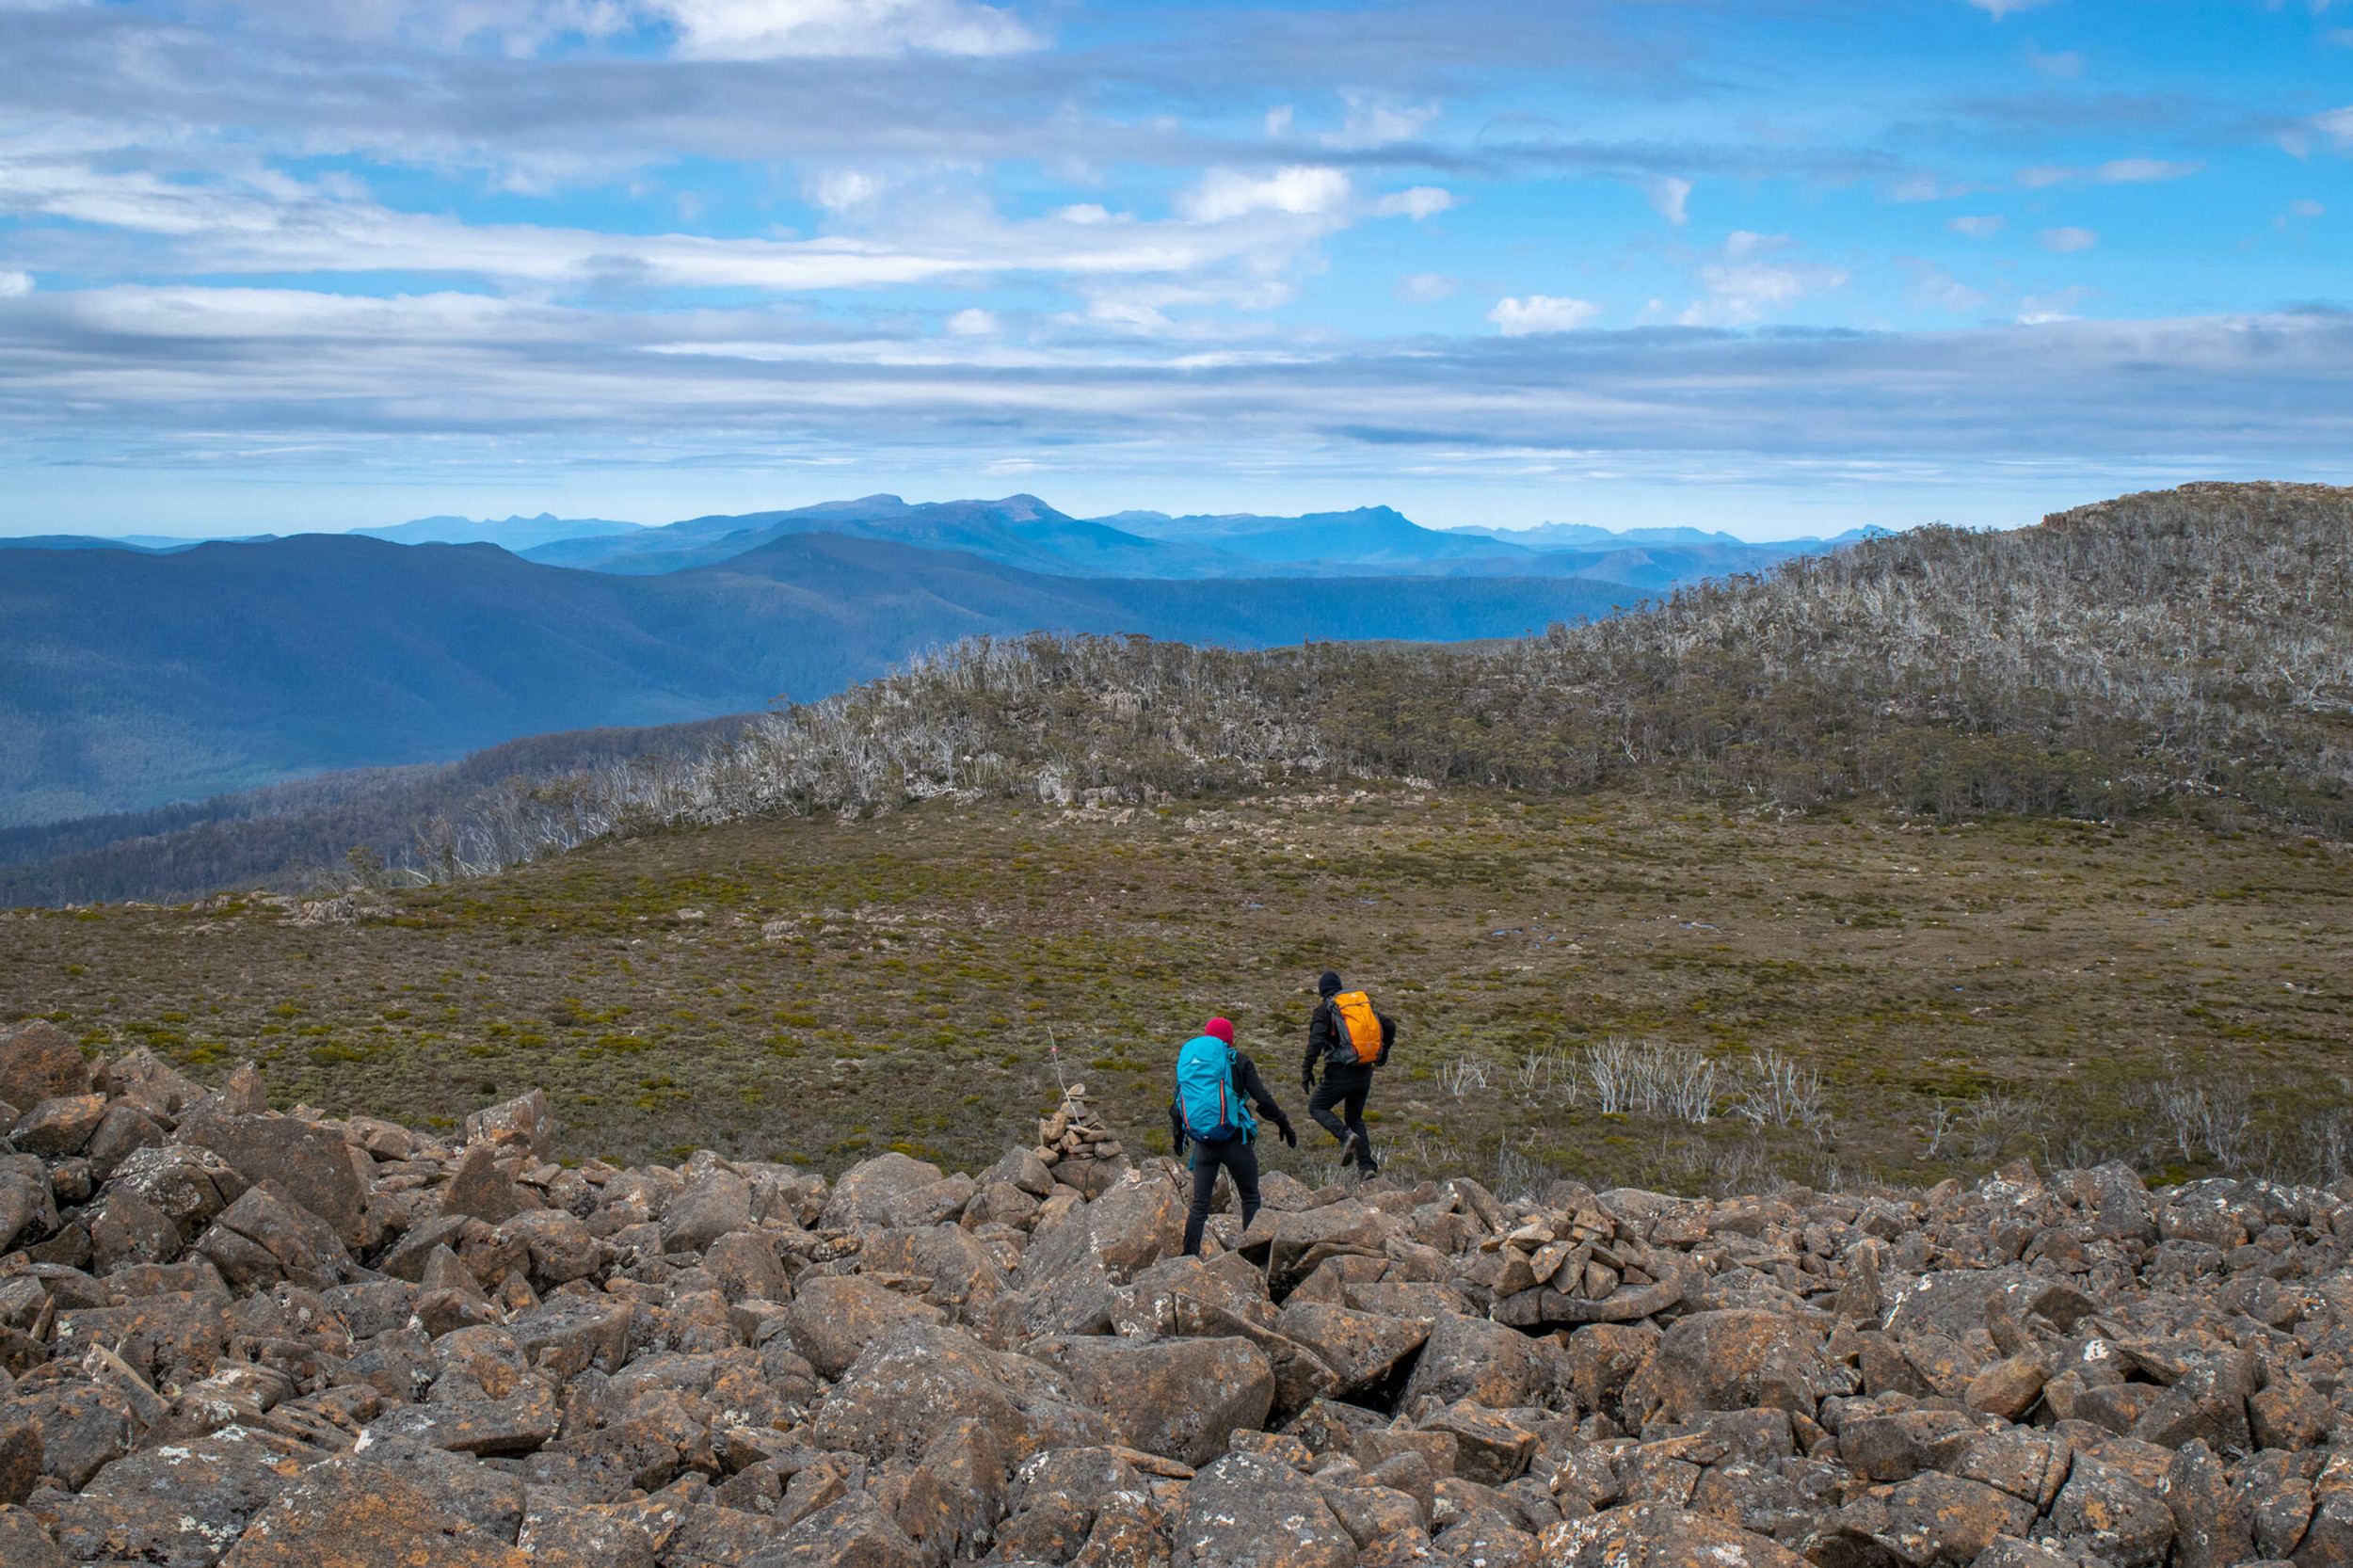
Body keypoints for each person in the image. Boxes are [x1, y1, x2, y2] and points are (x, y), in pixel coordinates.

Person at [1169, 1016, 1295, 1257]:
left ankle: (1188, 1260)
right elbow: (1263, 1099)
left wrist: (1179, 1139)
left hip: (1204, 1144)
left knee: (1199, 1207)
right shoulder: (1239, 1060)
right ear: (1230, 1039)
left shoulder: (1194, 1065)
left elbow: (1177, 1105)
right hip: (1236, 1141)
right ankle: (1251, 1259)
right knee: (1249, 1197)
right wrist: (1283, 1123)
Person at [1301, 970, 1395, 1178]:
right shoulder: (1358, 1008)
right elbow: (1389, 1025)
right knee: (1354, 1117)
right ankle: (1367, 1167)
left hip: (1339, 1073)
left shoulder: (1325, 1010)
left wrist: (1306, 1071)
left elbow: (1315, 1043)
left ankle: (1345, 1136)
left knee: (1316, 1107)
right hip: (1364, 1071)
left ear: (1322, 991)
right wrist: (1384, 1052)